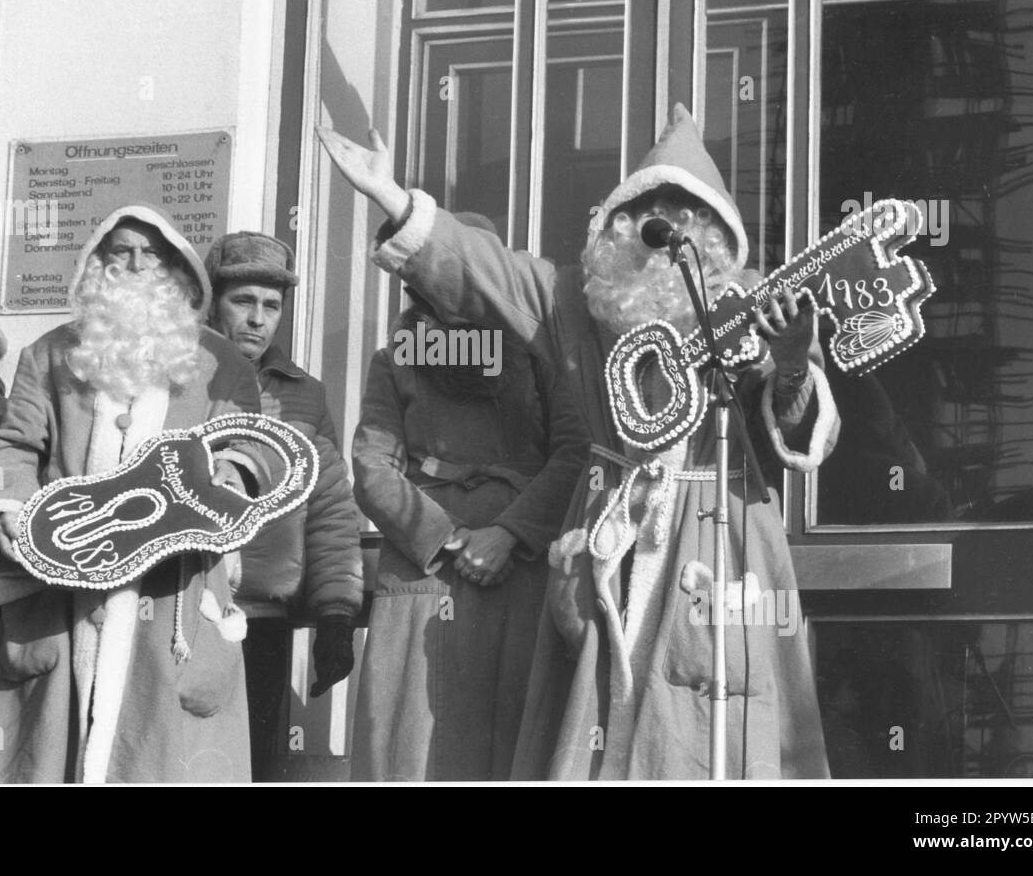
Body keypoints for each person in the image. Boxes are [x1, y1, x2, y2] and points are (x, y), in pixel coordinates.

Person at [317, 103, 839, 779]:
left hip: (722, 539)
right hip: (604, 537)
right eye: (652, 214)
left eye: (685, 217)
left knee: (712, 730)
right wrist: (393, 197)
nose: (667, 232)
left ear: (712, 233)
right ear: (621, 223)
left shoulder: (751, 304)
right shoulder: (573, 301)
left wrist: (794, 362)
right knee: (594, 728)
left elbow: (794, 431)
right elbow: (484, 268)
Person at [0, 203, 275, 783]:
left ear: (177, 271)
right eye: (119, 252)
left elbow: (249, 445)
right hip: (61, 596)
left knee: (161, 758)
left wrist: (231, 477)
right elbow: (10, 446)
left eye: (150, 254)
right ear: (96, 265)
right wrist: (9, 506)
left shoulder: (222, 364)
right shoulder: (50, 353)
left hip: (175, 600)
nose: (134, 266)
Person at [348, 220, 589, 780]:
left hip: (524, 566)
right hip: (425, 572)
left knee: (516, 744)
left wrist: (509, 534)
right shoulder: (396, 360)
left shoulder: (542, 358)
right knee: (413, 745)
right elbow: (372, 466)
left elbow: (577, 452)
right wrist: (446, 538)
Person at [204, 231, 364, 780]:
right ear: (212, 299)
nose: (258, 318)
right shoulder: (178, 377)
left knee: (245, 764)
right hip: (179, 600)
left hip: (261, 617)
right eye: (243, 301)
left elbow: (330, 510)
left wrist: (336, 613)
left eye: (271, 306)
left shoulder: (306, 395)